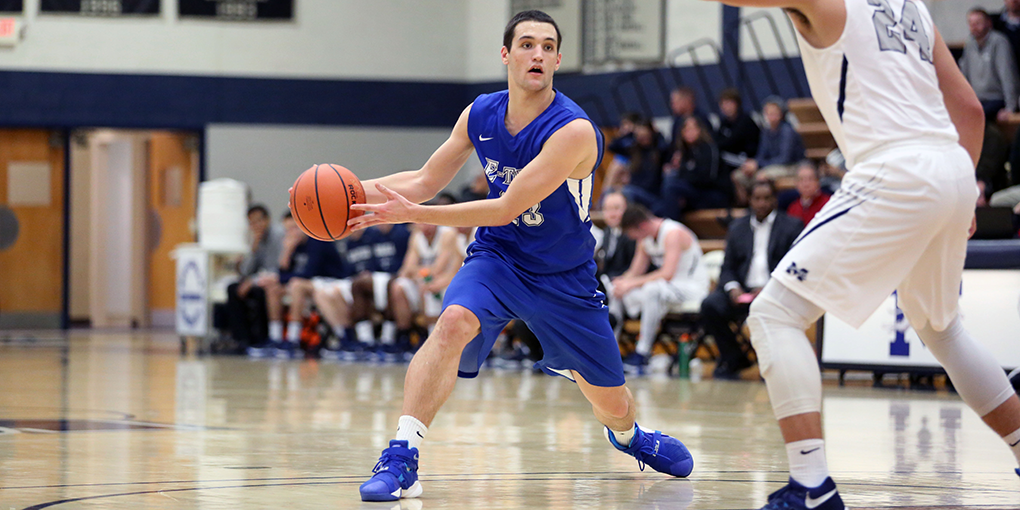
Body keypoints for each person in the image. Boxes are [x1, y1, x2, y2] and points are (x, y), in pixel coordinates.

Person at [347, 10, 694, 502]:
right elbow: (425, 179)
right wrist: (353, 194)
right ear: (506, 55)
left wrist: (411, 214)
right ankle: (402, 457)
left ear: (557, 59)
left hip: (563, 278)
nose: (538, 54)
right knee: (451, 324)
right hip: (499, 259)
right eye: (527, 44)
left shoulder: (573, 130)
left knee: (614, 405)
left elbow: (507, 205)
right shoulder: (481, 112)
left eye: (548, 46)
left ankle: (630, 437)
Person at [704, 0, 1020, 508]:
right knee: (944, 330)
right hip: (952, 167)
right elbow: (969, 109)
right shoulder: (913, 6)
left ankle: (811, 486)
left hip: (894, 169)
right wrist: (962, 191)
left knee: (773, 313)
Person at [699, 180, 802, 380]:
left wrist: (769, 288)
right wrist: (733, 288)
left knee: (769, 309)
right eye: (757, 198)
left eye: (766, 198)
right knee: (710, 305)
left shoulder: (791, 225)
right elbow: (727, 267)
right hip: (743, 292)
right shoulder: (738, 227)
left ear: (775, 200)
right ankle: (735, 357)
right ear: (750, 200)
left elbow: (794, 267)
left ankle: (773, 364)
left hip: (774, 293)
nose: (761, 203)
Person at [609, 204, 710, 368]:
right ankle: (610, 351)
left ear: (641, 226)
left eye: (631, 233)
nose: (632, 237)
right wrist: (621, 283)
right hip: (667, 290)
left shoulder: (673, 233)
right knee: (617, 291)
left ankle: (643, 352)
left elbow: (667, 274)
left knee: (652, 289)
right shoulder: (644, 239)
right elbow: (635, 271)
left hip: (691, 288)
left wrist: (631, 284)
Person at [225, 205, 283, 350]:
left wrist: (253, 281)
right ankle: (241, 339)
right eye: (251, 222)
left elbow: (277, 268)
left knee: (259, 292)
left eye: (259, 221)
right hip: (257, 279)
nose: (256, 225)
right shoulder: (254, 238)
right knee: (233, 289)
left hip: (274, 280)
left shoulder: (278, 235)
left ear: (268, 220)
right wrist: (253, 248)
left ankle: (261, 338)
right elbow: (245, 271)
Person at [734, 97, 805, 205]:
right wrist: (753, 164)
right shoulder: (766, 131)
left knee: (764, 175)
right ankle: (745, 204)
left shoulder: (787, 131)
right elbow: (761, 155)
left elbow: (784, 159)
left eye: (774, 112)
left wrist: (759, 164)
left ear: (781, 114)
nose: (770, 115)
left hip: (792, 166)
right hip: (771, 165)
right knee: (737, 175)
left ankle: (768, 204)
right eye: (767, 112)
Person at [661, 116, 730, 217]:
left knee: (671, 184)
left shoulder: (709, 148)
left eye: (693, 128)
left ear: (700, 130)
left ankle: (671, 226)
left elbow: (707, 177)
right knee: (658, 207)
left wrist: (685, 174)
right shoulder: (685, 151)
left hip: (714, 193)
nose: (689, 132)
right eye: (686, 129)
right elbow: (685, 173)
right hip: (696, 192)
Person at [960, 8, 1019, 123]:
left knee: (976, 118)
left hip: (996, 98)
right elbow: (963, 75)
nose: (974, 26)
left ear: (988, 23)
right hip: (977, 99)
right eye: (971, 23)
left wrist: (1010, 107)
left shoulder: (999, 42)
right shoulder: (970, 44)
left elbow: (1007, 75)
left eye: (978, 23)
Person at [715, 88, 761, 179]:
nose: (726, 107)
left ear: (737, 104)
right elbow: (715, 139)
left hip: (747, 159)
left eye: (729, 103)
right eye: (723, 103)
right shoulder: (725, 122)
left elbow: (731, 142)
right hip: (732, 158)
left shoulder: (745, 121)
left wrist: (714, 145)